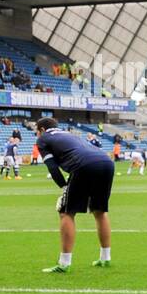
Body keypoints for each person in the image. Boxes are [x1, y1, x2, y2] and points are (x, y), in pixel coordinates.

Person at [34, 116, 115, 272]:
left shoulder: (43, 139)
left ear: (42, 130)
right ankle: (105, 258)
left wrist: (63, 186)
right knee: (100, 212)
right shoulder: (68, 133)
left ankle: (64, 263)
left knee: (66, 212)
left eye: (37, 132)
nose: (37, 135)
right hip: (106, 162)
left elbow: (52, 168)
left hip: (83, 164)